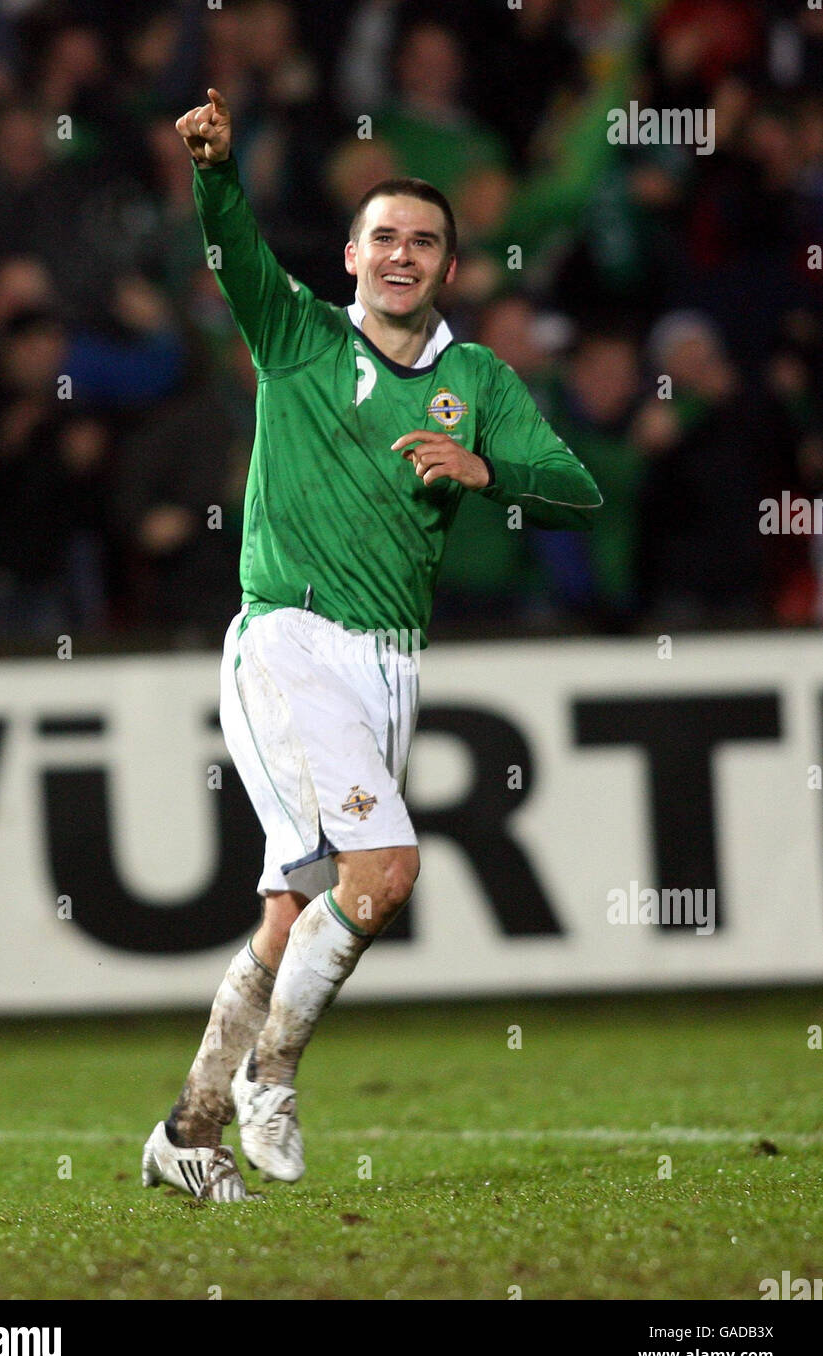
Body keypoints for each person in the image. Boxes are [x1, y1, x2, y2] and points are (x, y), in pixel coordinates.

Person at [141, 87, 602, 1202]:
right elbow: (233, 249)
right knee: (385, 871)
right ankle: (272, 1077)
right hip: (288, 638)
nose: (402, 255)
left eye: (425, 242)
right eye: (384, 236)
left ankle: (186, 1132)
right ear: (350, 254)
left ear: (449, 266)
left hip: (391, 662)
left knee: (295, 912)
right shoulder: (297, 333)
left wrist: (488, 473)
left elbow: (578, 496)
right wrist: (214, 167)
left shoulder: (477, 380)